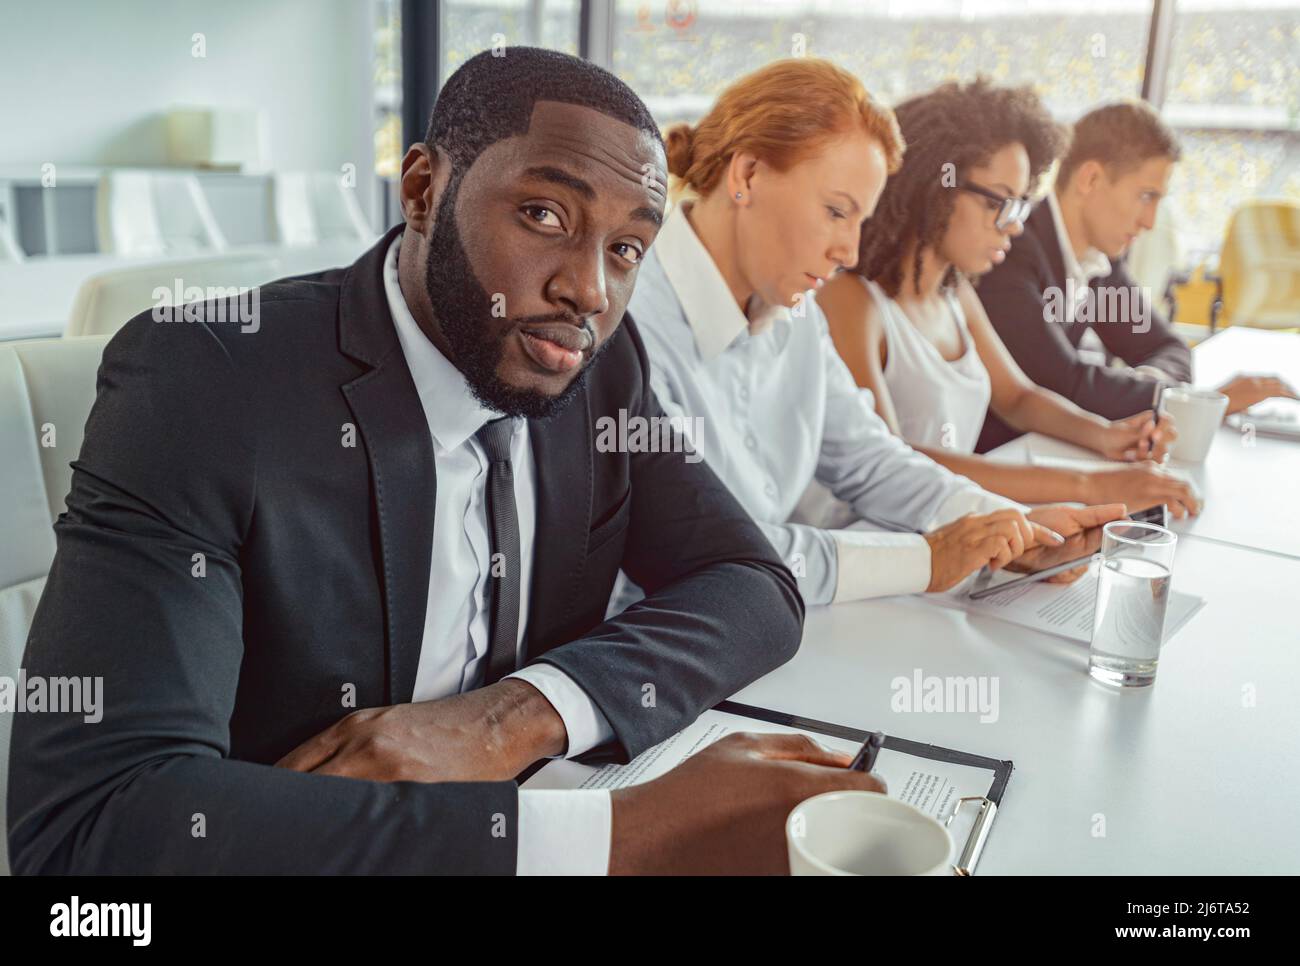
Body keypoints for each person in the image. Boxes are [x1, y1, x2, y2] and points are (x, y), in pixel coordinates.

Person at [7, 48, 885, 877]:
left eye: (626, 249)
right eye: (545, 215)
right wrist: (624, 837)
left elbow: (753, 581)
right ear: (424, 188)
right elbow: (93, 826)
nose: (590, 289)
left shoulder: (598, 367)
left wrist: (509, 720)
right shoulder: (202, 383)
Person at [612, 58, 1124, 615]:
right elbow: (722, 552)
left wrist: (1000, 528)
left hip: (769, 622)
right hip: (656, 639)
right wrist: (930, 559)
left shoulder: (796, 310)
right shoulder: (627, 323)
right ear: (747, 176)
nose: (849, 252)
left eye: (861, 221)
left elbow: (868, 456)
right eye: (836, 211)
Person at [819, 80, 1200, 515]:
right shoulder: (852, 301)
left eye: (1020, 204)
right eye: (998, 203)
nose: (1014, 225)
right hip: (873, 547)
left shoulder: (955, 291)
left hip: (952, 527)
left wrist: (1107, 435)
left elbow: (1018, 398)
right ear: (935, 186)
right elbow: (892, 465)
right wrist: (1089, 485)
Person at [975, 99, 1296, 452]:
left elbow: (1165, 346)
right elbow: (1061, 383)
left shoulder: (1098, 260)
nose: (1150, 222)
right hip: (998, 462)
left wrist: (1151, 388)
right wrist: (1191, 401)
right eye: (1146, 196)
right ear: (1091, 179)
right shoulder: (1010, 251)